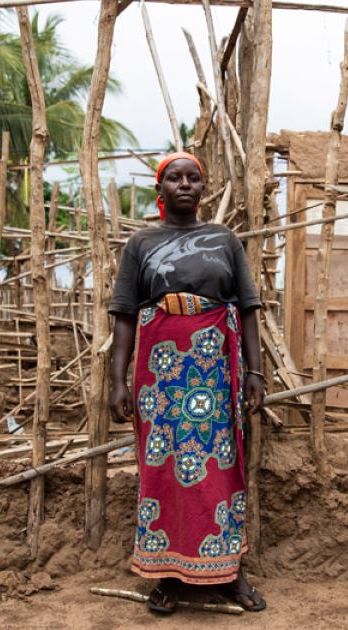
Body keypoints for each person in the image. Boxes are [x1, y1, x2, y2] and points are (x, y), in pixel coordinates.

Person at [108, 152, 267, 614]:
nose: (184, 185)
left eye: (193, 178)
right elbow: (124, 317)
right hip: (160, 371)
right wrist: (117, 383)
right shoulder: (141, 244)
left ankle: (230, 571)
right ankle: (167, 575)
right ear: (160, 191)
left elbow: (249, 308)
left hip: (215, 367)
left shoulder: (224, 240)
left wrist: (255, 373)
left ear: (204, 188)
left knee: (219, 464)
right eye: (174, 178)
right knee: (164, 468)